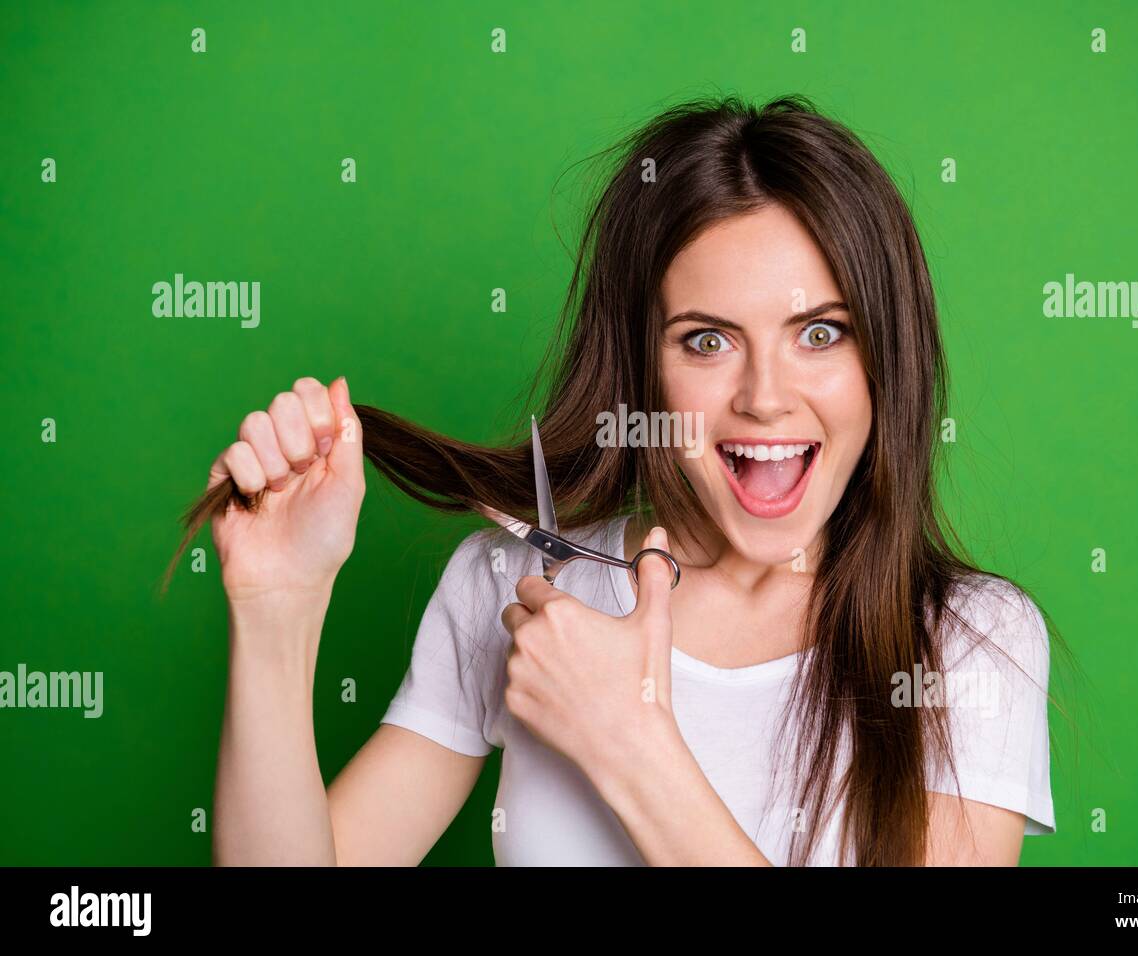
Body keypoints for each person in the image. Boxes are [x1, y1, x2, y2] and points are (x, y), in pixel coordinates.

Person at [192, 94, 1062, 866]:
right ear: (641, 370)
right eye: (707, 340)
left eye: (820, 333)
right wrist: (278, 608)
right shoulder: (518, 587)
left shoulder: (972, 647)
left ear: (886, 359)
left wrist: (628, 738)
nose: (764, 398)